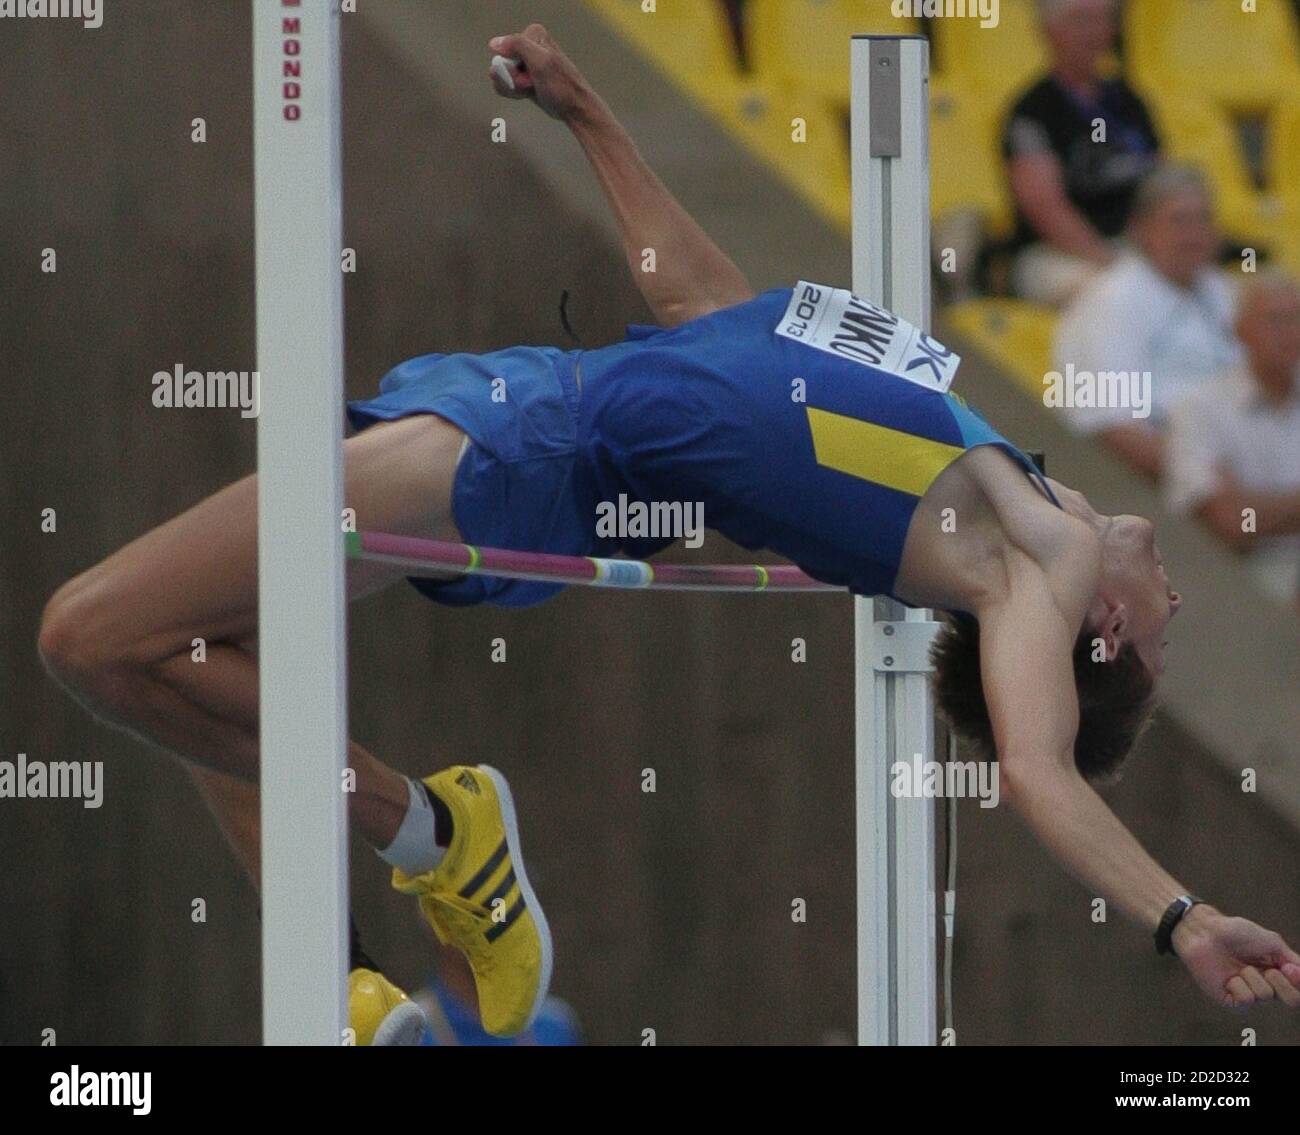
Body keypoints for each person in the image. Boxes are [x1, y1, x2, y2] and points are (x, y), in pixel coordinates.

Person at [37, 23, 1300, 1045]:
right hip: (538, 406)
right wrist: (589, 114)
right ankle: (356, 977)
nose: (1181, 600)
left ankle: (434, 833)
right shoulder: (979, 447)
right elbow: (706, 308)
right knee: (200, 649)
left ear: (1105, 628)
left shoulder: (1035, 556)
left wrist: (1178, 915)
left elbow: (1039, 771)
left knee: (88, 634)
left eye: (1165, 637)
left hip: (532, 439)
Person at [1053, 164, 1242, 479]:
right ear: (1141, 229)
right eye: (1179, 221)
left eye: (1203, 220)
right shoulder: (1112, 299)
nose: (1195, 235)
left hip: (1239, 462)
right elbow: (1113, 428)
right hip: (1159, 485)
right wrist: (1208, 484)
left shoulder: (1222, 290)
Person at [1002, 0, 1160, 306]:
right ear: (1049, 31)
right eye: (1082, 21)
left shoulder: (1128, 100)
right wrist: (1113, 262)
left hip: (1133, 246)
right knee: (1117, 293)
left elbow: (1161, 185)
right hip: (1057, 253)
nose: (1096, 33)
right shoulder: (1032, 113)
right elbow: (1046, 209)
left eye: (1104, 20)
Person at [1163, 272, 1300, 609]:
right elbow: (1231, 521)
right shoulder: (1199, 408)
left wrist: (1257, 507)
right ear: (1240, 329)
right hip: (1236, 581)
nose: (1291, 333)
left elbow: (1242, 514)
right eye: (1276, 320)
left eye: (1297, 320)